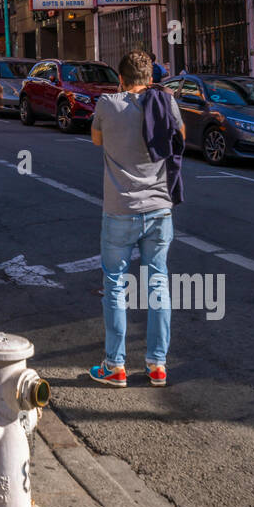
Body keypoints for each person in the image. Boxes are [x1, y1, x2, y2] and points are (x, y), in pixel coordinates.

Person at [90, 50, 186, 389]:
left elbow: (96, 139)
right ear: (150, 78)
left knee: (115, 285)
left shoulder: (107, 105)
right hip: (160, 208)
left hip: (120, 209)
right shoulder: (165, 103)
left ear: (120, 78)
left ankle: (115, 366)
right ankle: (157, 365)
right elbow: (181, 137)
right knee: (158, 282)